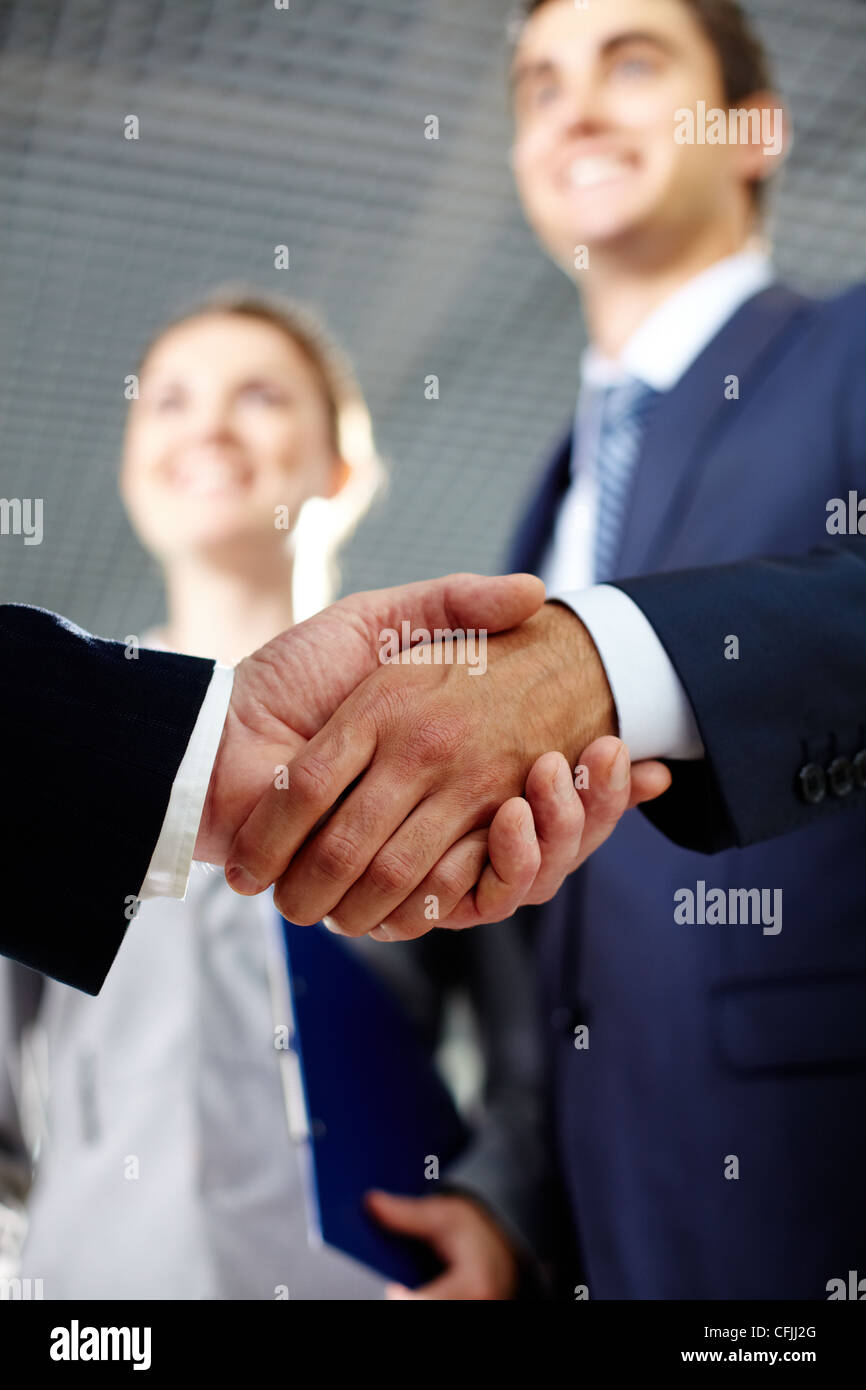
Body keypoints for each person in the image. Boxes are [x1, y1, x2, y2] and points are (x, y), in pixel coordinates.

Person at [226, 0, 866, 1299]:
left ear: (750, 128)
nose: (570, 107)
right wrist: (506, 1199)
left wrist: (604, 661)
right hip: (601, 1228)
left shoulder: (846, 349)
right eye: (536, 85)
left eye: (631, 63)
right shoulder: (555, 496)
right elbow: (549, 917)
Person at [0, 291, 667, 1300]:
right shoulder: (48, 750)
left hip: (358, 1274)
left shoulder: (445, 730)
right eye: (169, 401)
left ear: (342, 467)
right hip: (96, 1281)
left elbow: (534, 1050)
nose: (208, 426)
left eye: (258, 396)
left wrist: (494, 1211)